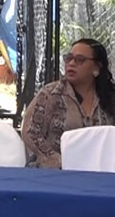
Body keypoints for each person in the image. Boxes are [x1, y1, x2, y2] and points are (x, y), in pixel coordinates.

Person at [22, 38, 115, 168]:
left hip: (101, 170)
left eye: (80, 60)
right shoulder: (51, 93)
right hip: (54, 170)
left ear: (97, 67)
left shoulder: (110, 97)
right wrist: (55, 159)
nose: (71, 63)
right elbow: (30, 131)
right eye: (69, 58)